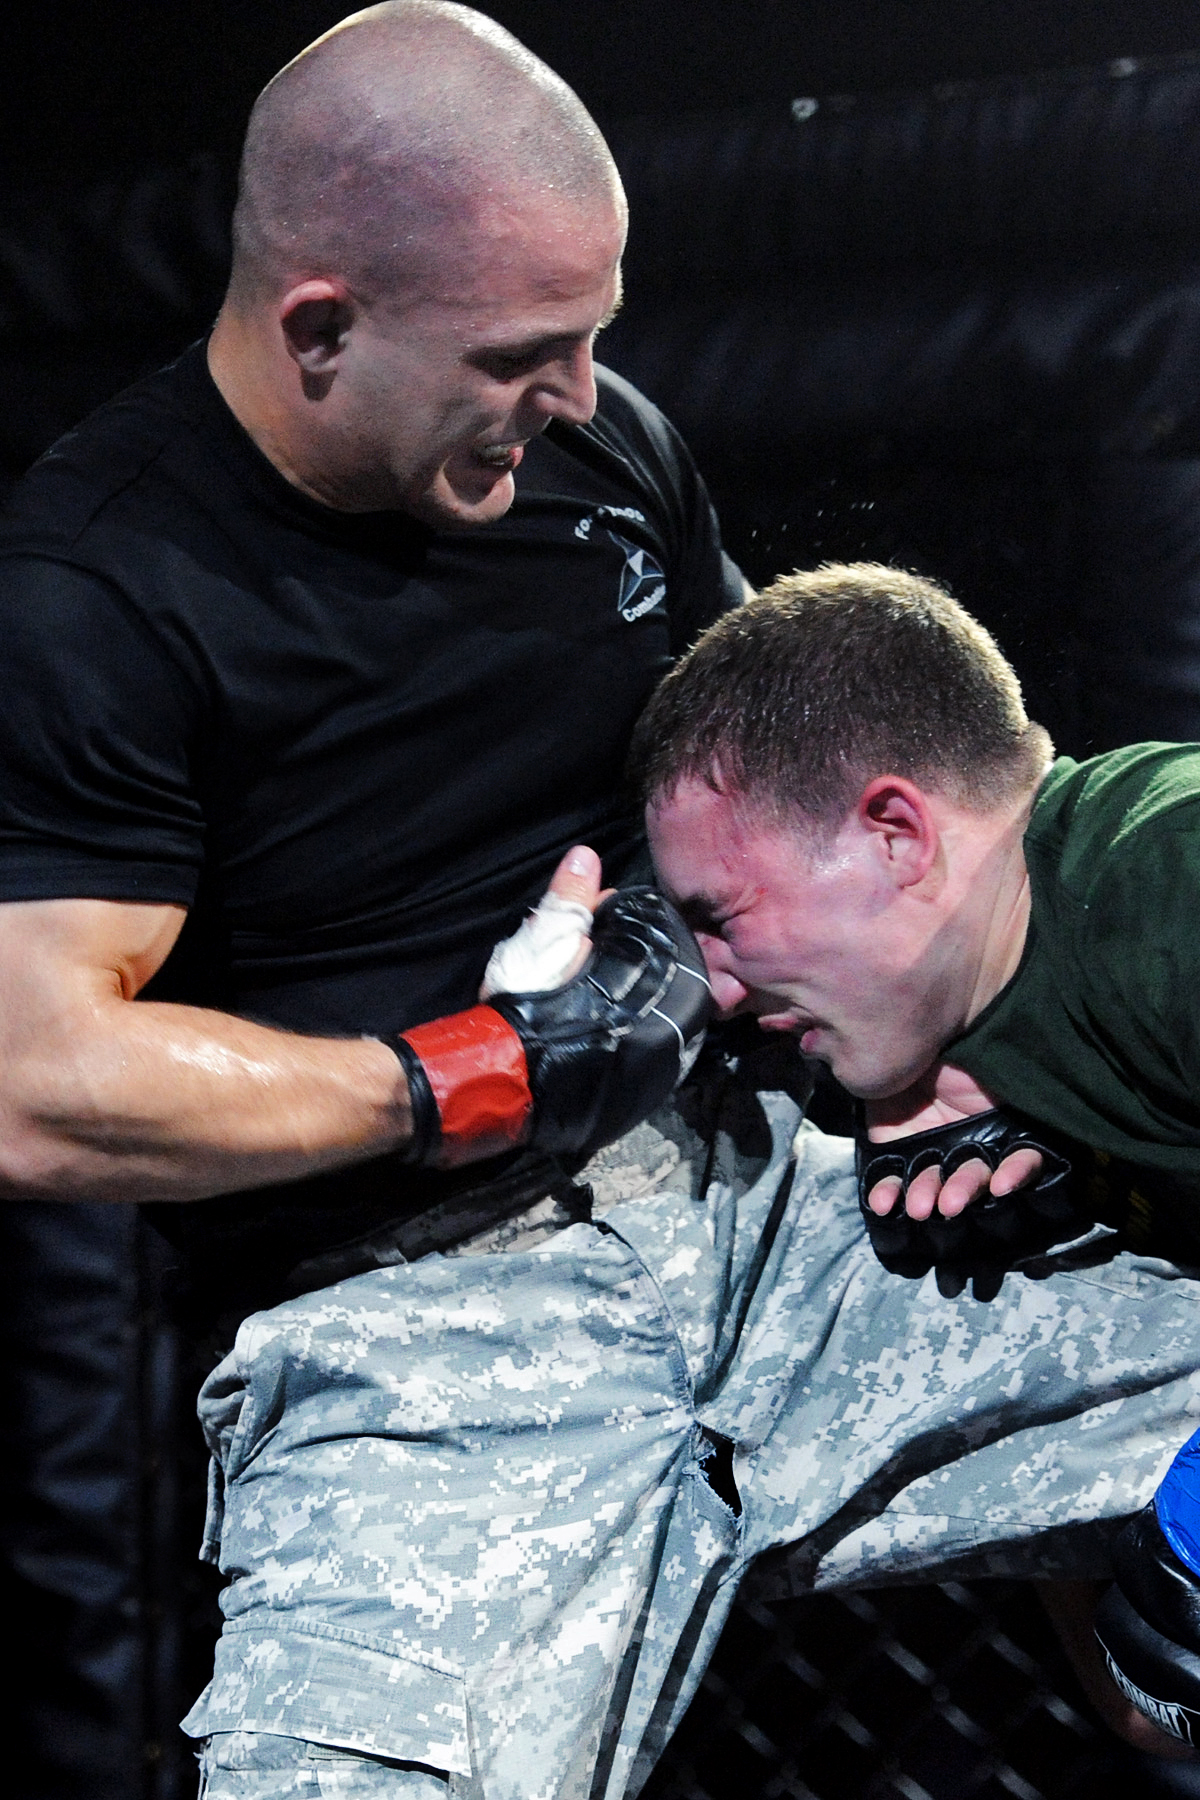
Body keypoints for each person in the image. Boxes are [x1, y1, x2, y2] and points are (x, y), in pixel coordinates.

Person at [1, 8, 1194, 1788]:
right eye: (519, 355)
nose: (570, 397)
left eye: (590, 339)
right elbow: (35, 1080)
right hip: (421, 1326)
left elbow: (766, 766)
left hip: (773, 1199)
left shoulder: (597, 446)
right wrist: (469, 1070)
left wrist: (968, 1054)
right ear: (319, 325)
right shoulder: (96, 590)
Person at [636, 558, 1200, 1753]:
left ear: (895, 835)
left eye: (725, 917)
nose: (719, 987)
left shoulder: (1169, 878)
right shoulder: (963, 1016)